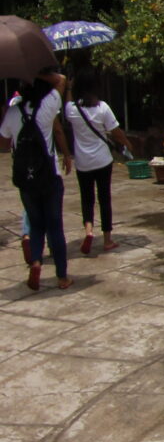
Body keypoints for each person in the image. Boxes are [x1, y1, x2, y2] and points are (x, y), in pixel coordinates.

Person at [3, 67, 72, 291]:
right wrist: (35, 72)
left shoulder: (13, 112)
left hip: (26, 179)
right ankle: (62, 277)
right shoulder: (48, 106)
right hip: (49, 175)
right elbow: (62, 79)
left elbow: (4, 140)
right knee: (55, 226)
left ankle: (35, 262)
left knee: (35, 225)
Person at [66, 75, 133, 255]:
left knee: (86, 198)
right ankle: (107, 239)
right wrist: (127, 143)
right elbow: (115, 131)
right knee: (104, 198)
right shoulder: (102, 107)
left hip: (83, 162)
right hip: (103, 160)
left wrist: (69, 87)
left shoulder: (72, 109)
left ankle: (89, 230)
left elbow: (67, 102)